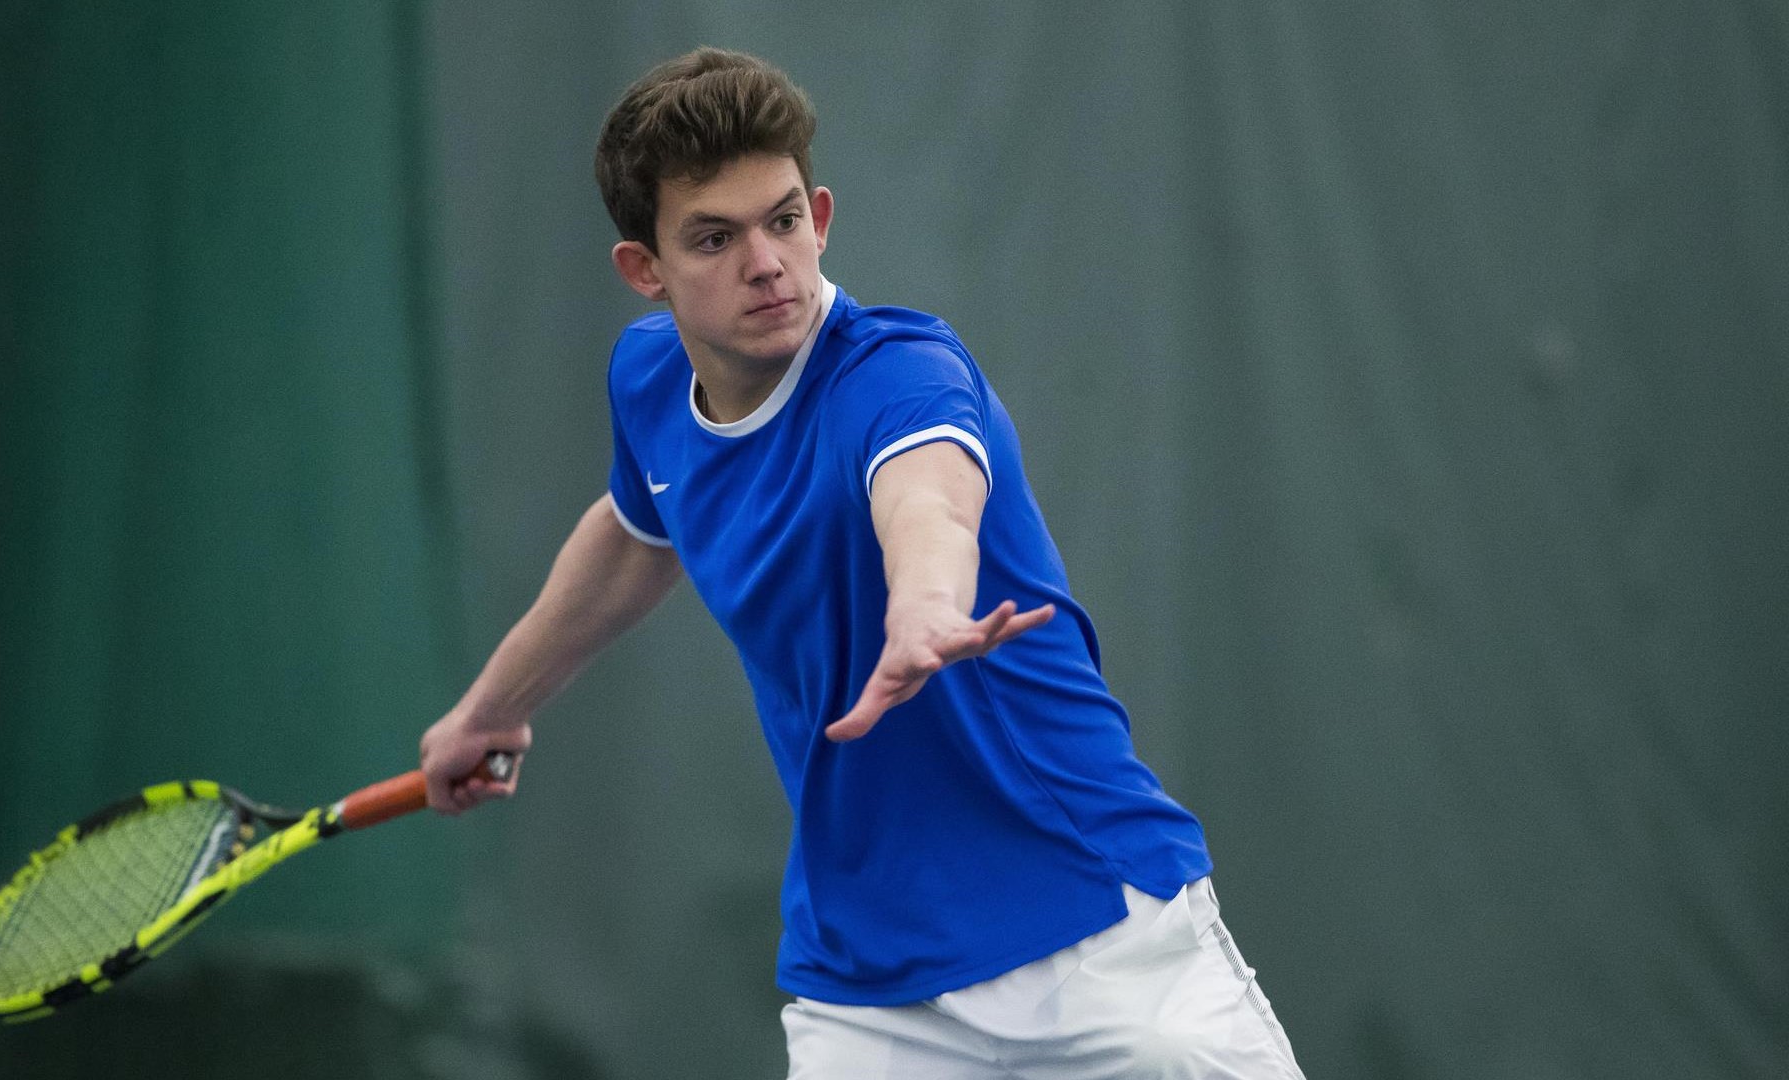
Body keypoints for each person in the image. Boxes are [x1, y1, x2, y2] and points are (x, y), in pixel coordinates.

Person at [419, 47, 1306, 1079]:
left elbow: (927, 497)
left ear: (821, 216)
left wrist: (927, 604)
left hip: (1101, 938)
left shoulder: (902, 375)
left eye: (783, 219)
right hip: (872, 990)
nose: (766, 262)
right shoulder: (649, 380)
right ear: (645, 271)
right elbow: (633, 535)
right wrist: (492, 708)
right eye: (715, 237)